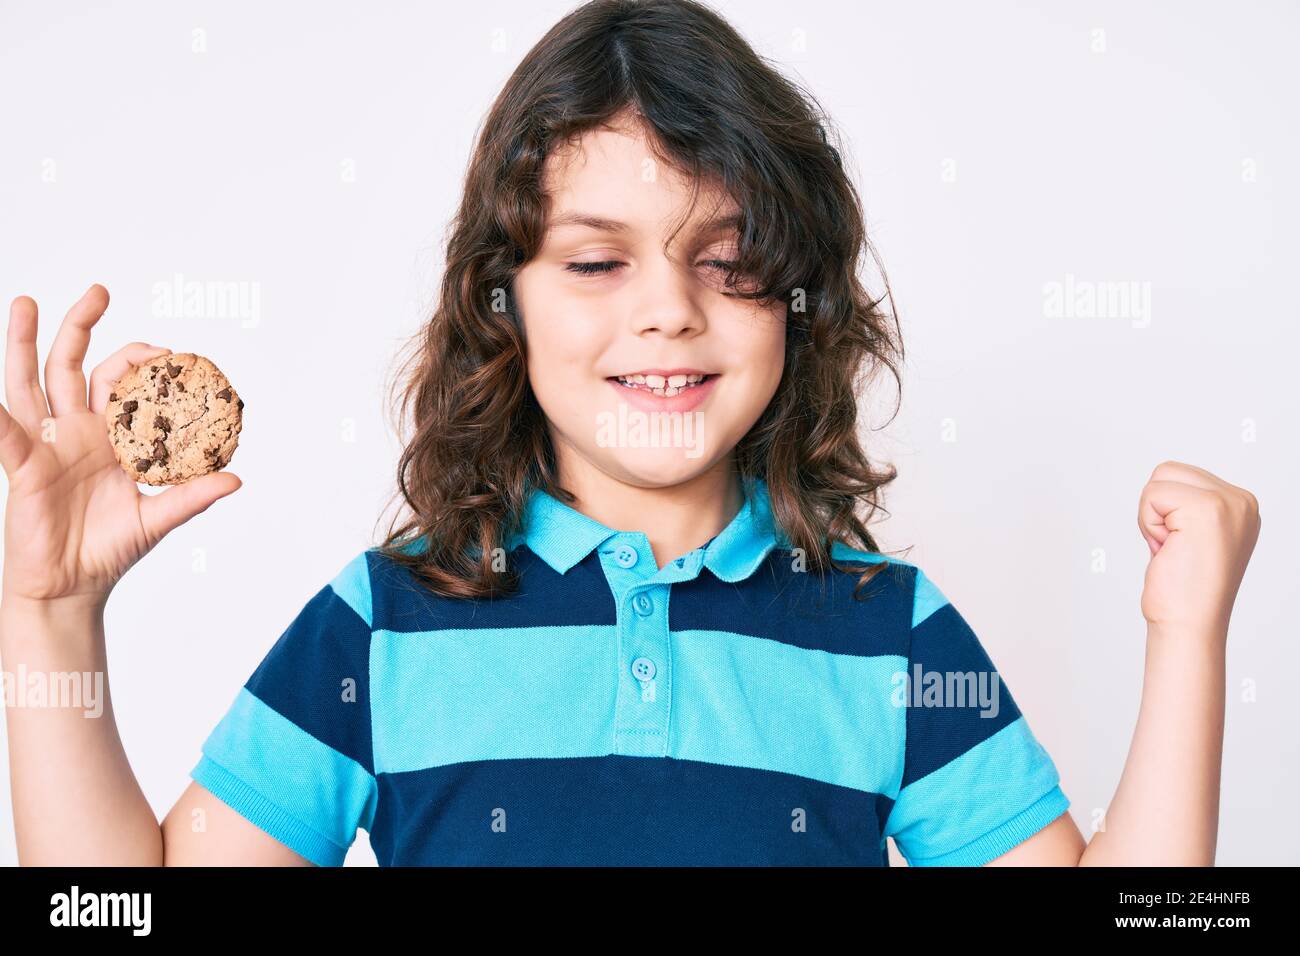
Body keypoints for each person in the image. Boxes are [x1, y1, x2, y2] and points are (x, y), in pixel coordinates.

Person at [0, 0, 1260, 866]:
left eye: (727, 263)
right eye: (597, 260)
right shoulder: (382, 627)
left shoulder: (890, 633)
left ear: (797, 303)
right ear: (504, 302)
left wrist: (1187, 638)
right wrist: (48, 613)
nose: (668, 309)